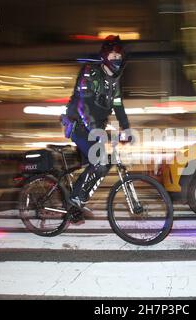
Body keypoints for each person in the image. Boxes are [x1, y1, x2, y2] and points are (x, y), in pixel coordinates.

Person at [61, 35, 131, 223]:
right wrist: (95, 131)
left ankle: (78, 200)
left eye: (119, 56)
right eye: (113, 55)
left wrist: (126, 128)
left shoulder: (115, 82)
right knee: (99, 162)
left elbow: (118, 106)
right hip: (78, 124)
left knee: (104, 164)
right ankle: (74, 200)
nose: (116, 59)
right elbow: (84, 106)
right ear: (105, 56)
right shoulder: (90, 72)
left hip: (95, 127)